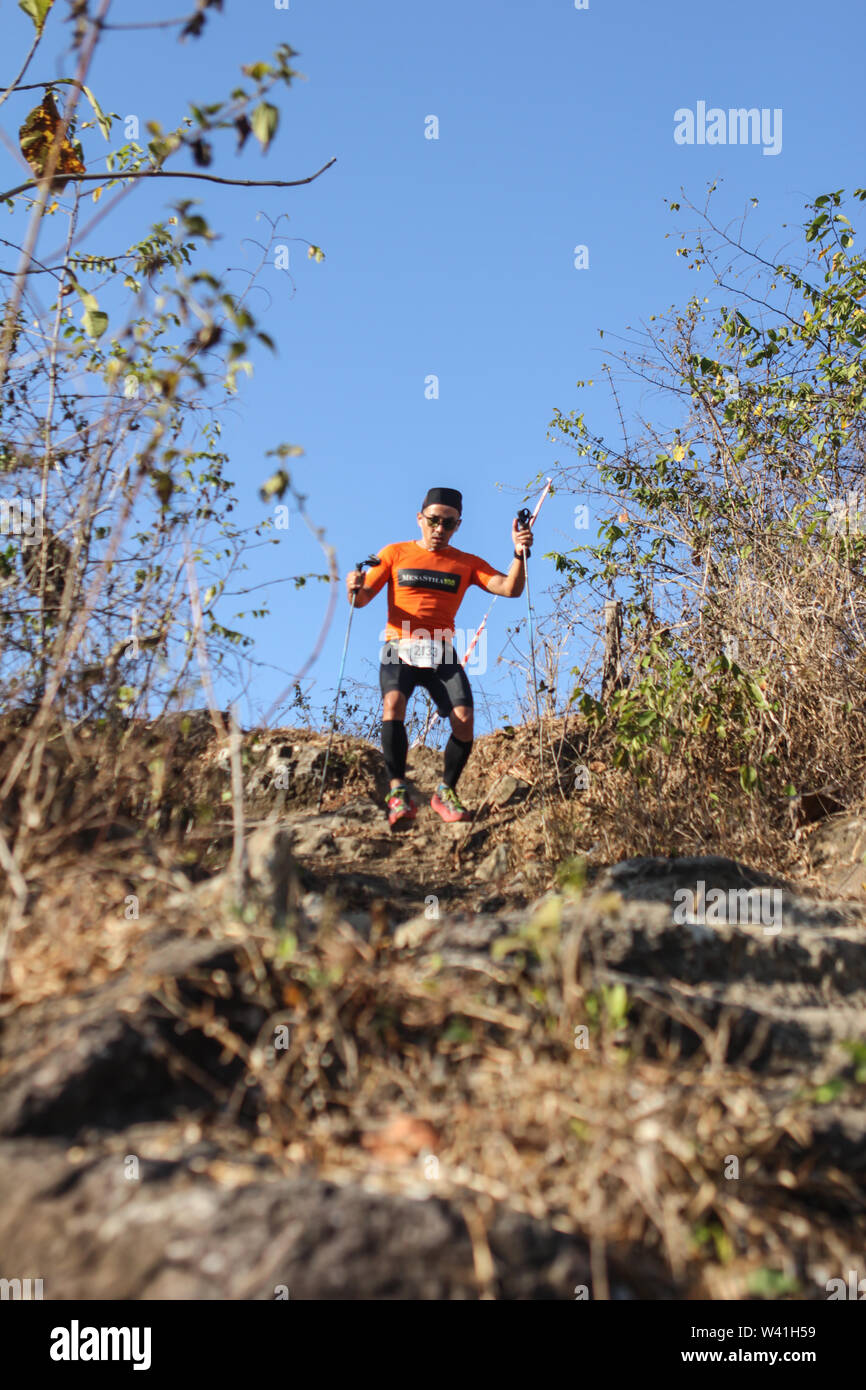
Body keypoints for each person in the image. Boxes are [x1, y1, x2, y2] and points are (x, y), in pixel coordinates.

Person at [345, 487, 533, 828]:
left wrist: (519, 553)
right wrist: (352, 586)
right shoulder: (394, 554)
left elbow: (510, 589)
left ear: (458, 525)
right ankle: (398, 790)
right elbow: (360, 600)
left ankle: (445, 791)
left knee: (464, 719)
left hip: (441, 650)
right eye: (433, 521)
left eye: (448, 524)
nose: (439, 529)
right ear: (420, 519)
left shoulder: (465, 563)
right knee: (393, 705)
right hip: (399, 646)